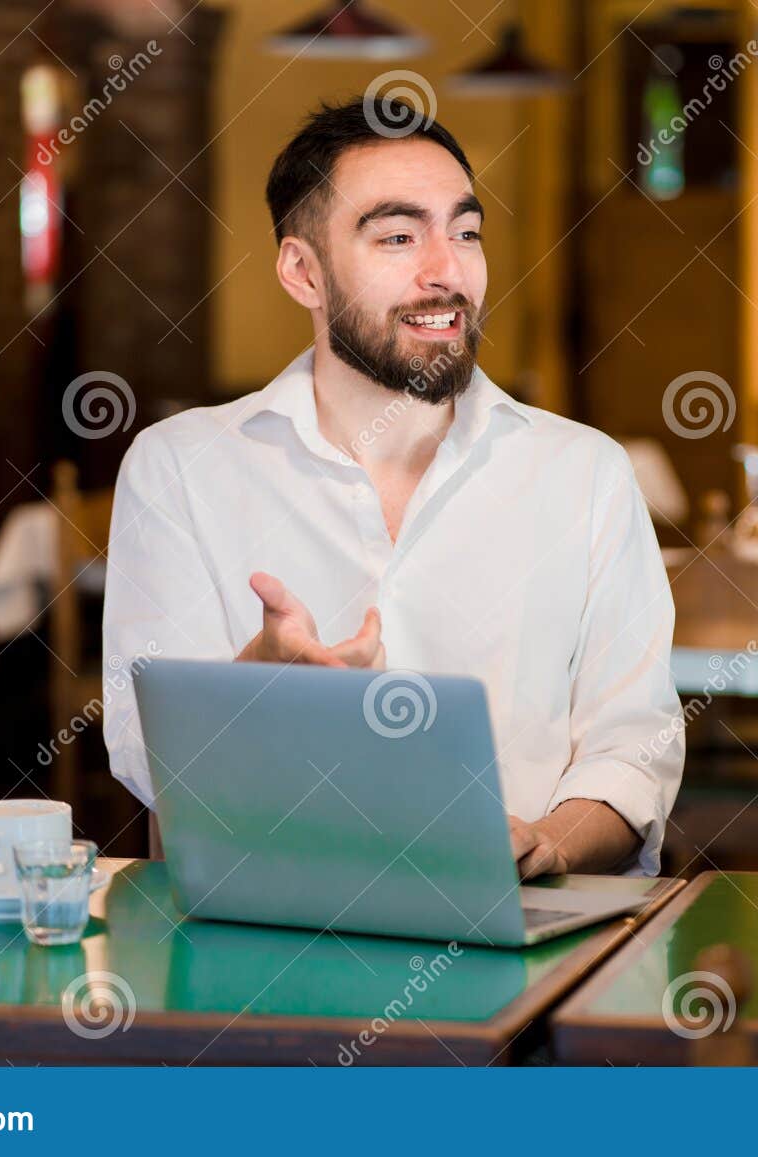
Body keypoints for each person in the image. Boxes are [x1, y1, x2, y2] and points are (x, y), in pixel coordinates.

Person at [103, 100, 682, 878]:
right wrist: (252, 689)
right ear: (302, 271)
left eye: (466, 232)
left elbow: (634, 746)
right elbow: (145, 752)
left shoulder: (586, 474)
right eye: (400, 237)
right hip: (269, 953)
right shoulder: (179, 468)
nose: (447, 271)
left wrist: (547, 843)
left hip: (536, 941)